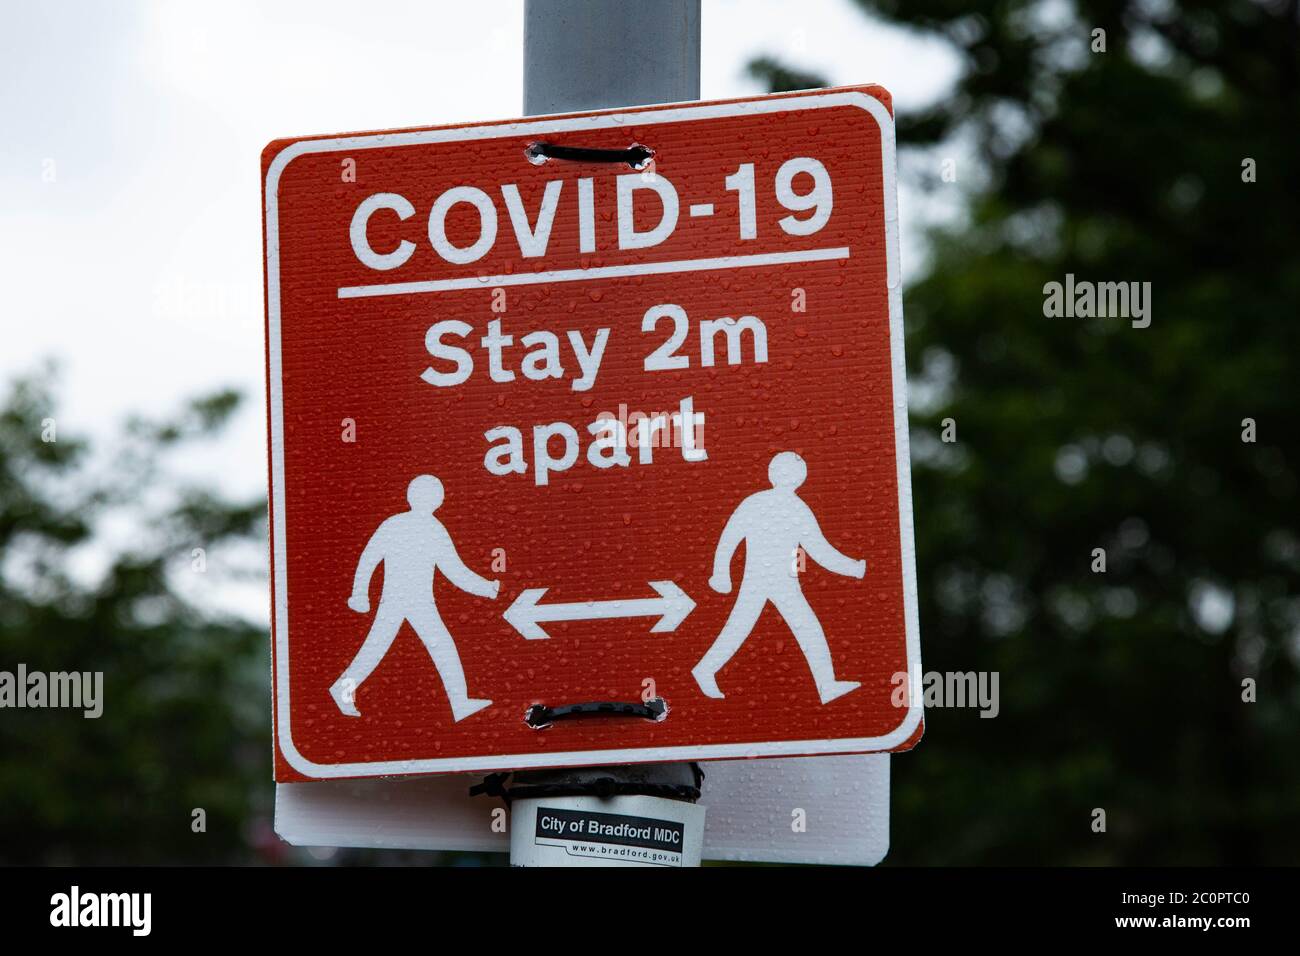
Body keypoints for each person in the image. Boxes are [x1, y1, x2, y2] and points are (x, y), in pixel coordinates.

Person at [691, 452, 865, 705]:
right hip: (763, 580)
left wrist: (853, 568)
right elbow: (731, 537)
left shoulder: (783, 506)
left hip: (779, 581)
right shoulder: (773, 505)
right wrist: (720, 573)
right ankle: (705, 670)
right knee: (750, 627)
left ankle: (827, 685)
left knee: (782, 626)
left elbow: (818, 550)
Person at [330, 474, 499, 721]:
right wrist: (359, 593)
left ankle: (460, 702)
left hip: (418, 601)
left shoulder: (425, 528)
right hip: (400, 600)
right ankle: (341, 690)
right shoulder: (404, 526)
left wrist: (487, 588)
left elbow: (454, 570)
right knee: (379, 649)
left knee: (436, 645)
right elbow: (370, 557)